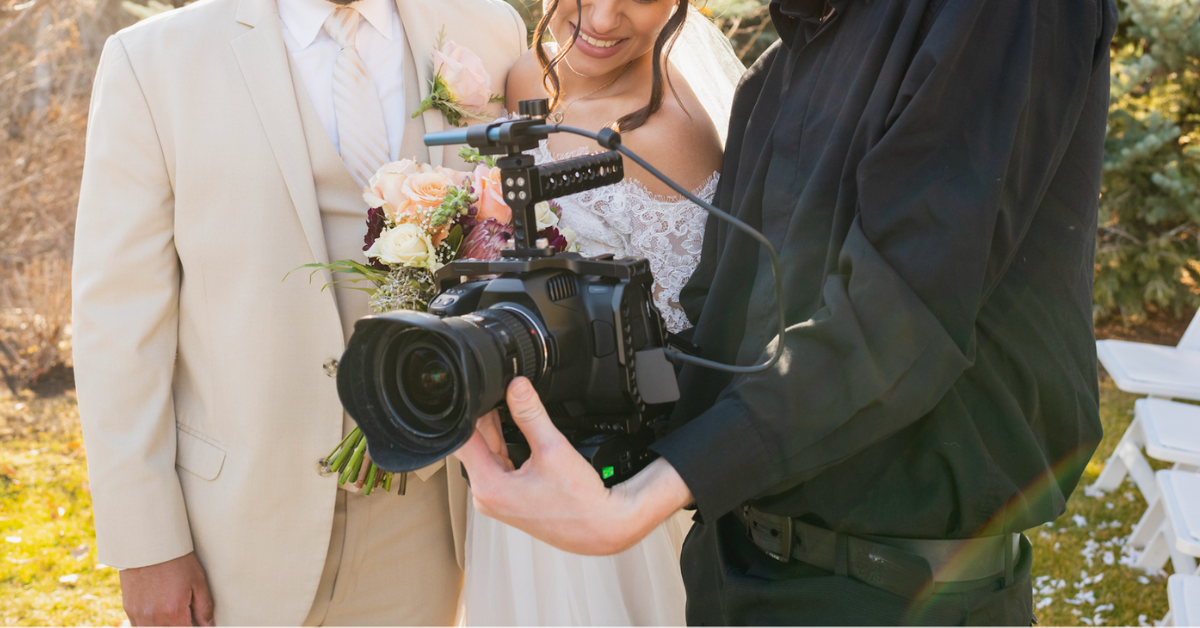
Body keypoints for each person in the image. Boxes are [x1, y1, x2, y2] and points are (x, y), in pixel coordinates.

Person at [456, 0, 1119, 624]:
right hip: (731, 568)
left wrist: (642, 498)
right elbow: (716, 324)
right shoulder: (781, 69)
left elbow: (900, 312)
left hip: (894, 595)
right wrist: (521, 384)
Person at [71, 0, 524, 622]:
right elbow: (118, 322)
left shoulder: (490, 32)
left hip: (429, 521)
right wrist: (147, 546)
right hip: (235, 527)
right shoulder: (153, 61)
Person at [458, 2, 741, 624]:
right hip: (515, 457)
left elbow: (688, 349)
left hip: (607, 473)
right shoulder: (526, 78)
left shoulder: (672, 132)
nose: (605, 19)